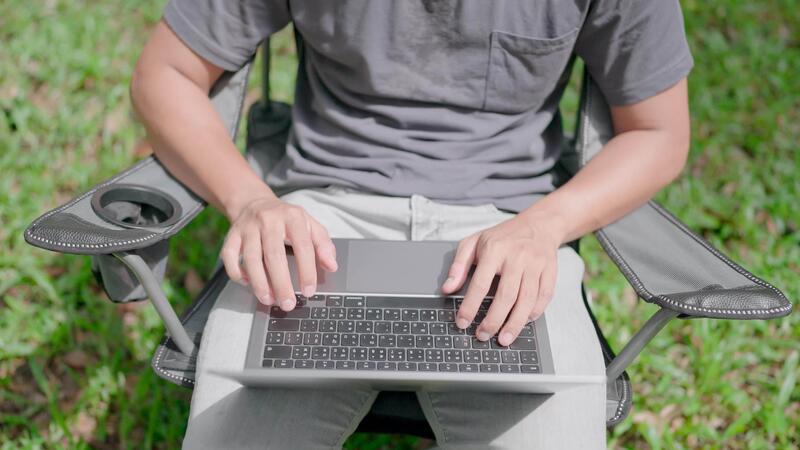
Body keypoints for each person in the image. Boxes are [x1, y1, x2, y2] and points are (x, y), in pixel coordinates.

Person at [131, 1, 693, 448]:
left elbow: (658, 132)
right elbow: (167, 73)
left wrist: (547, 226)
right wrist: (250, 202)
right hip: (319, 221)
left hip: (512, 229)